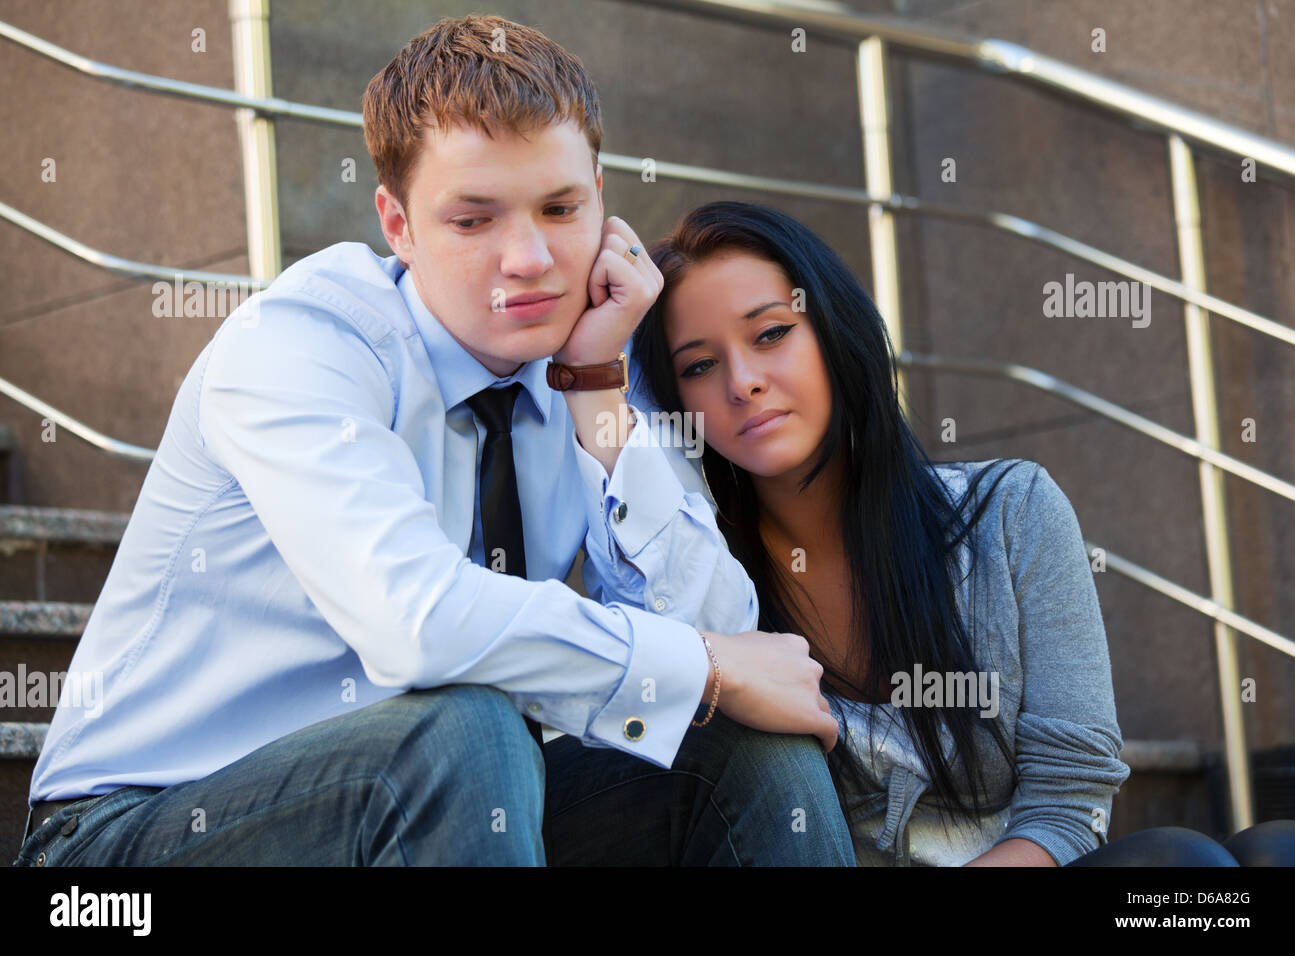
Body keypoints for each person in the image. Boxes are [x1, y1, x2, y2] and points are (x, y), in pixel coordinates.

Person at [12, 18, 853, 868]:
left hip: (444, 806)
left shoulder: (593, 357)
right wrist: (704, 666)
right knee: (466, 728)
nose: (529, 259)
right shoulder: (306, 342)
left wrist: (597, 394)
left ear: (602, 196)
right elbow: (418, 624)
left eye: (561, 208)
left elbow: (723, 637)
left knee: (744, 752)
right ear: (398, 224)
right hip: (121, 845)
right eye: (473, 220)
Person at [631, 199, 1295, 867]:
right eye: (698, 366)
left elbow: (1071, 800)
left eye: (771, 333)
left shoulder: (1011, 512)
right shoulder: (702, 586)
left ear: (836, 332)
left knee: (1258, 857)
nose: (743, 383)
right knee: (1189, 863)